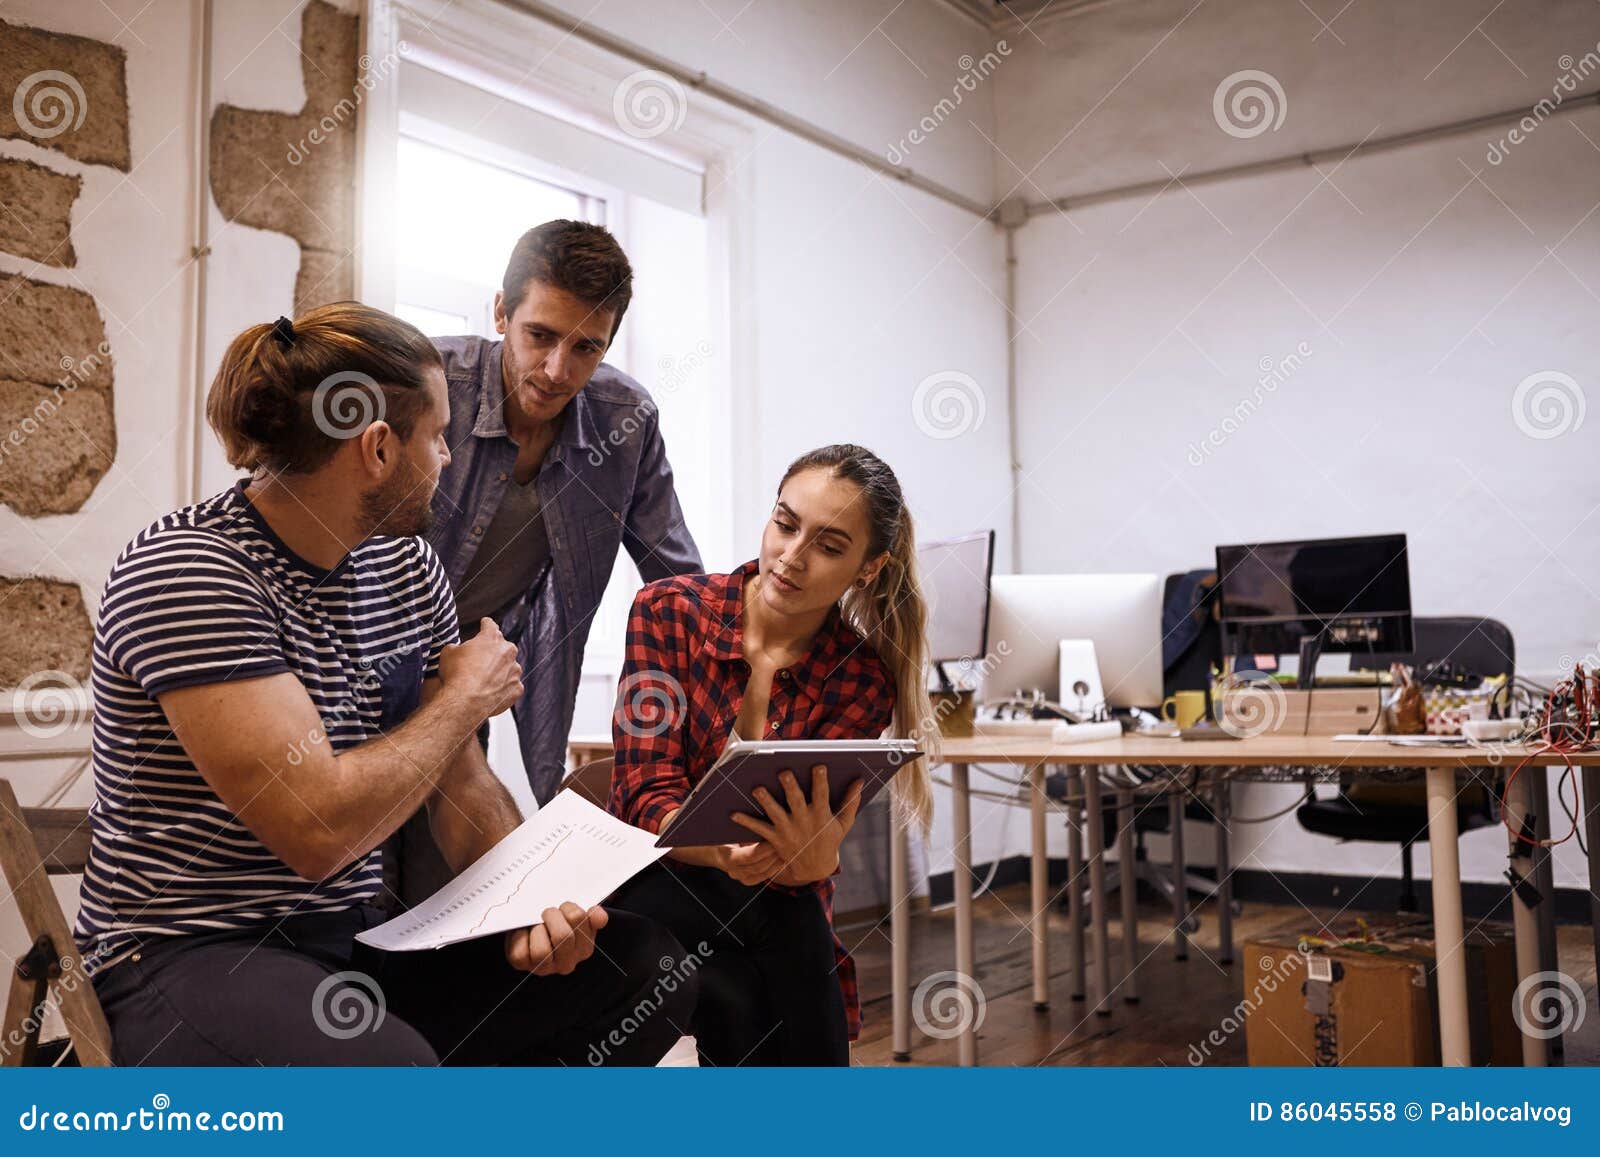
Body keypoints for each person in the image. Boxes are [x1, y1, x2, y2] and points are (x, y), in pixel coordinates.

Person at [73, 303, 695, 1066]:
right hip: (181, 955)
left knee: (647, 969)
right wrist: (465, 696)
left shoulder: (406, 566)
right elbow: (316, 832)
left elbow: (459, 784)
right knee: (393, 1071)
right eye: (437, 437)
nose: (447, 458)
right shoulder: (190, 571)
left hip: (351, 944)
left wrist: (534, 906)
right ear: (375, 449)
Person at [606, 444, 937, 1065]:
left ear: (868, 569)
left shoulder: (861, 680)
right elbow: (641, 797)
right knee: (787, 925)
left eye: (830, 546)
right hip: (656, 882)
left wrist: (806, 859)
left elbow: (813, 853)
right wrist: (732, 854)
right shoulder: (669, 611)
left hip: (770, 905)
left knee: (747, 988)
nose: (792, 556)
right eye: (785, 524)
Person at [426, 219, 702, 809]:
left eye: (586, 347)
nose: (557, 371)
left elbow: (680, 583)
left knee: (443, 886)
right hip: (361, 674)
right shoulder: (427, 385)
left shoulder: (626, 423)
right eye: (540, 335)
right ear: (501, 312)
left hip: (465, 692)